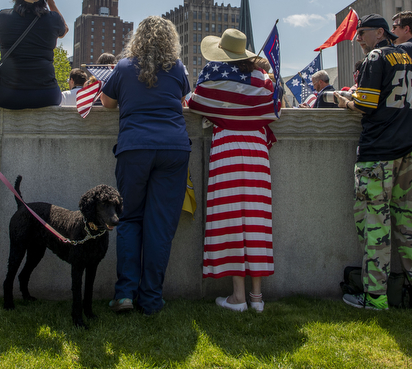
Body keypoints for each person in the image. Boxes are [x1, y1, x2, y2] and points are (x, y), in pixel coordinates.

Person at [334, 14, 412, 311]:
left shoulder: (376, 57)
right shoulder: (406, 56)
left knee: (375, 226)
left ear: (379, 33)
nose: (358, 38)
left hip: (378, 153)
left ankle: (375, 297)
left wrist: (344, 100)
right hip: (409, 150)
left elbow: (365, 104)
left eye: (361, 33)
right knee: (409, 224)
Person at [99, 16, 191, 316]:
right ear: (170, 40)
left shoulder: (124, 67)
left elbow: (108, 103)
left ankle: (125, 293)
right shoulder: (177, 67)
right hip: (173, 149)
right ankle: (151, 299)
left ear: (138, 38)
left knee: (127, 220)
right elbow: (182, 99)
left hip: (134, 148)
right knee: (160, 225)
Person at [189, 30, 278, 313]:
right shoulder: (263, 81)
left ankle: (237, 297)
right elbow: (275, 110)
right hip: (257, 151)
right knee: (255, 219)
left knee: (229, 218)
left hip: (227, 148)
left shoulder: (214, 77)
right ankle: (257, 297)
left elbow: (194, 103)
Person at [0, 0, 68, 109]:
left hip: (6, 95)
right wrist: (51, 2)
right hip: (45, 95)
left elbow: (0, 38)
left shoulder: (3, 16)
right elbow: (64, 31)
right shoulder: (53, 19)